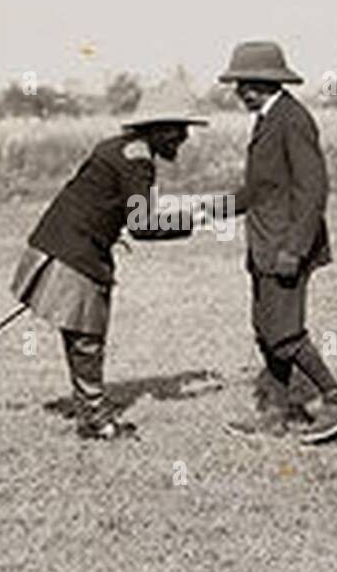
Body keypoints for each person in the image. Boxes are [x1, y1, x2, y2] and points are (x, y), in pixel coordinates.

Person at [11, 100, 206, 440]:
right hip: (75, 249)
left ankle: (89, 405)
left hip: (62, 241)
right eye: (178, 130)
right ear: (157, 129)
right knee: (87, 336)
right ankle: (96, 420)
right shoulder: (138, 159)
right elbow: (143, 224)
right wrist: (191, 220)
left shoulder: (117, 147)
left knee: (81, 334)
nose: (184, 137)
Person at [213, 40, 337, 443]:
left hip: (284, 248)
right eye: (239, 83)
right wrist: (207, 210)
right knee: (265, 328)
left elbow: (314, 190)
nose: (240, 91)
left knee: (284, 333)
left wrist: (294, 248)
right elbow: (258, 191)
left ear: (265, 82)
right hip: (265, 246)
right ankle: (276, 414)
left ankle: (335, 399)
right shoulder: (266, 119)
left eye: (245, 83)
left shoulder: (292, 119)